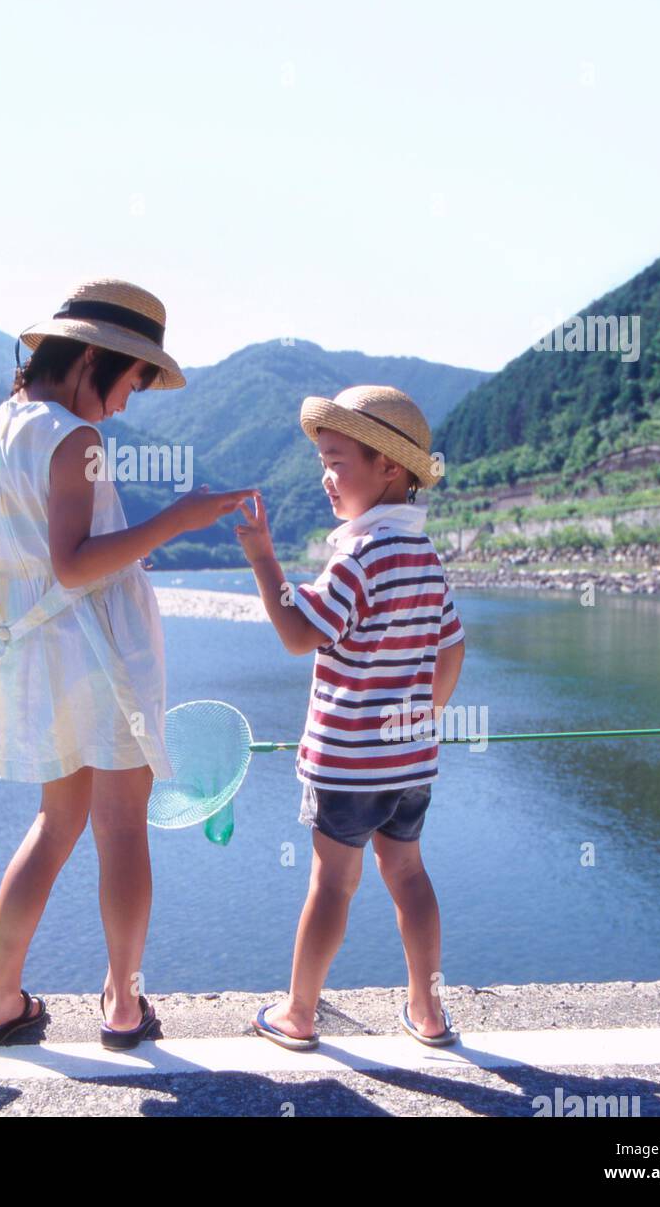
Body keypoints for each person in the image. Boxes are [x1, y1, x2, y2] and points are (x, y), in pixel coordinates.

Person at [0, 279, 253, 1051]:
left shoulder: (1, 426)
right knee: (122, 827)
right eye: (129, 381)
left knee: (54, 825)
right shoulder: (75, 438)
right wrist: (173, 522)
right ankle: (124, 1008)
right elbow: (72, 562)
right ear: (94, 356)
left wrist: (114, 562)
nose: (126, 403)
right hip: (96, 659)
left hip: (34, 657)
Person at [234, 384, 466, 1051]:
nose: (326, 478)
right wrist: (428, 714)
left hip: (346, 763)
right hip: (409, 762)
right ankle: (427, 1011)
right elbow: (450, 646)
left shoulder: (359, 556)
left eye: (336, 462)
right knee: (410, 876)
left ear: (387, 468)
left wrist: (261, 558)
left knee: (332, 885)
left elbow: (299, 631)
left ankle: (299, 1014)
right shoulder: (426, 558)